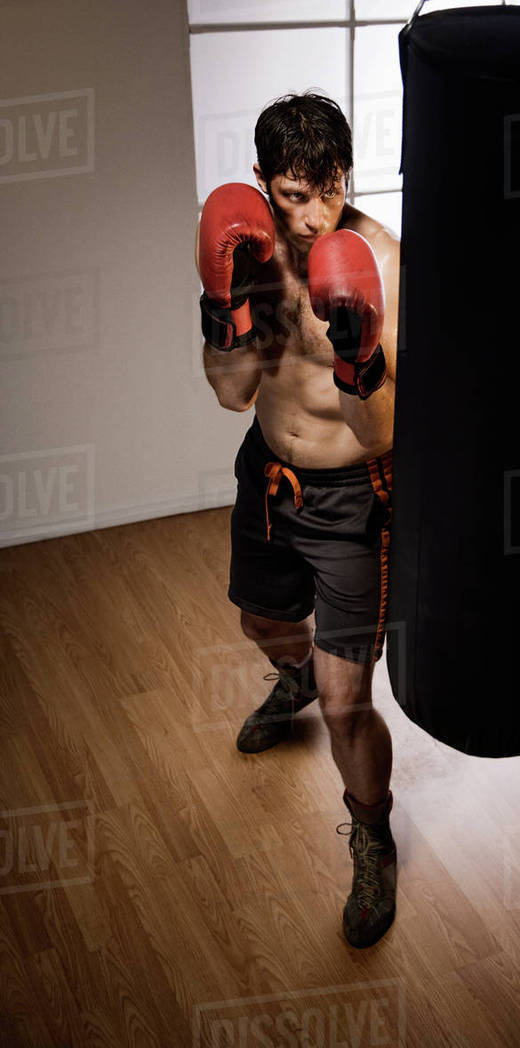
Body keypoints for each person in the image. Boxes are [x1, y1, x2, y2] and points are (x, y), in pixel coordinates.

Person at [195, 91, 400, 950]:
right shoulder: (245, 253)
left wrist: (360, 356)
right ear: (261, 185)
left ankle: (373, 835)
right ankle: (294, 675)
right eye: (292, 195)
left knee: (351, 699)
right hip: (270, 481)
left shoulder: (384, 261)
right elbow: (232, 393)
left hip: (358, 495)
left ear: (345, 176)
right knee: (260, 619)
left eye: (329, 189)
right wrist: (229, 316)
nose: (314, 215)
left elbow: (384, 431)